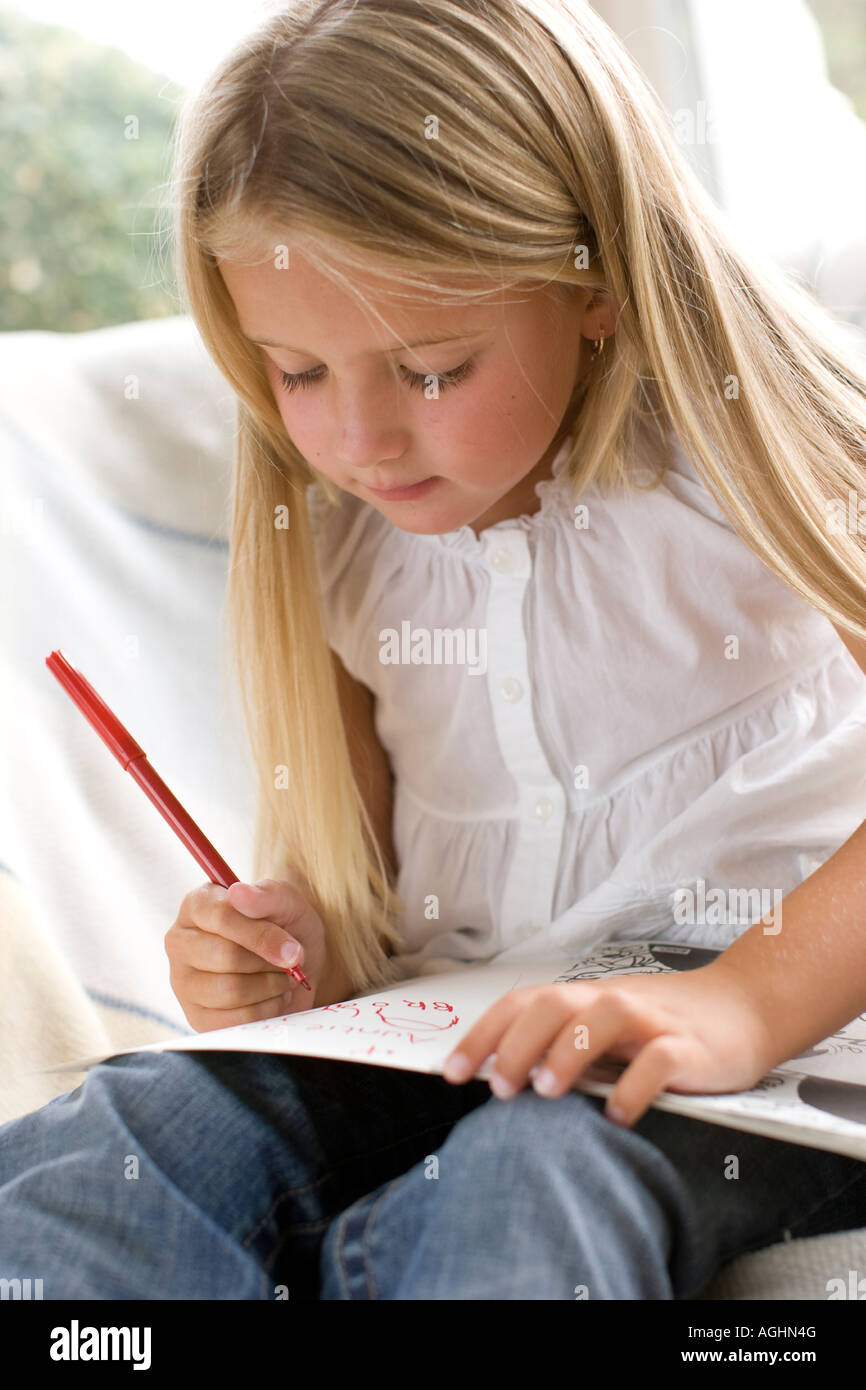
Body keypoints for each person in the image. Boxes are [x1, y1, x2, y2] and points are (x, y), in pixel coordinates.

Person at [3, 0, 866, 1300]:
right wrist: (291, 958)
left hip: (749, 1067)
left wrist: (731, 1002)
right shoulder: (349, 547)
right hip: (440, 1035)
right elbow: (372, 915)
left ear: (592, 289)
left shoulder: (754, 466)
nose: (357, 442)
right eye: (295, 372)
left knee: (522, 1181)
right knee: (120, 1137)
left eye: (429, 370)